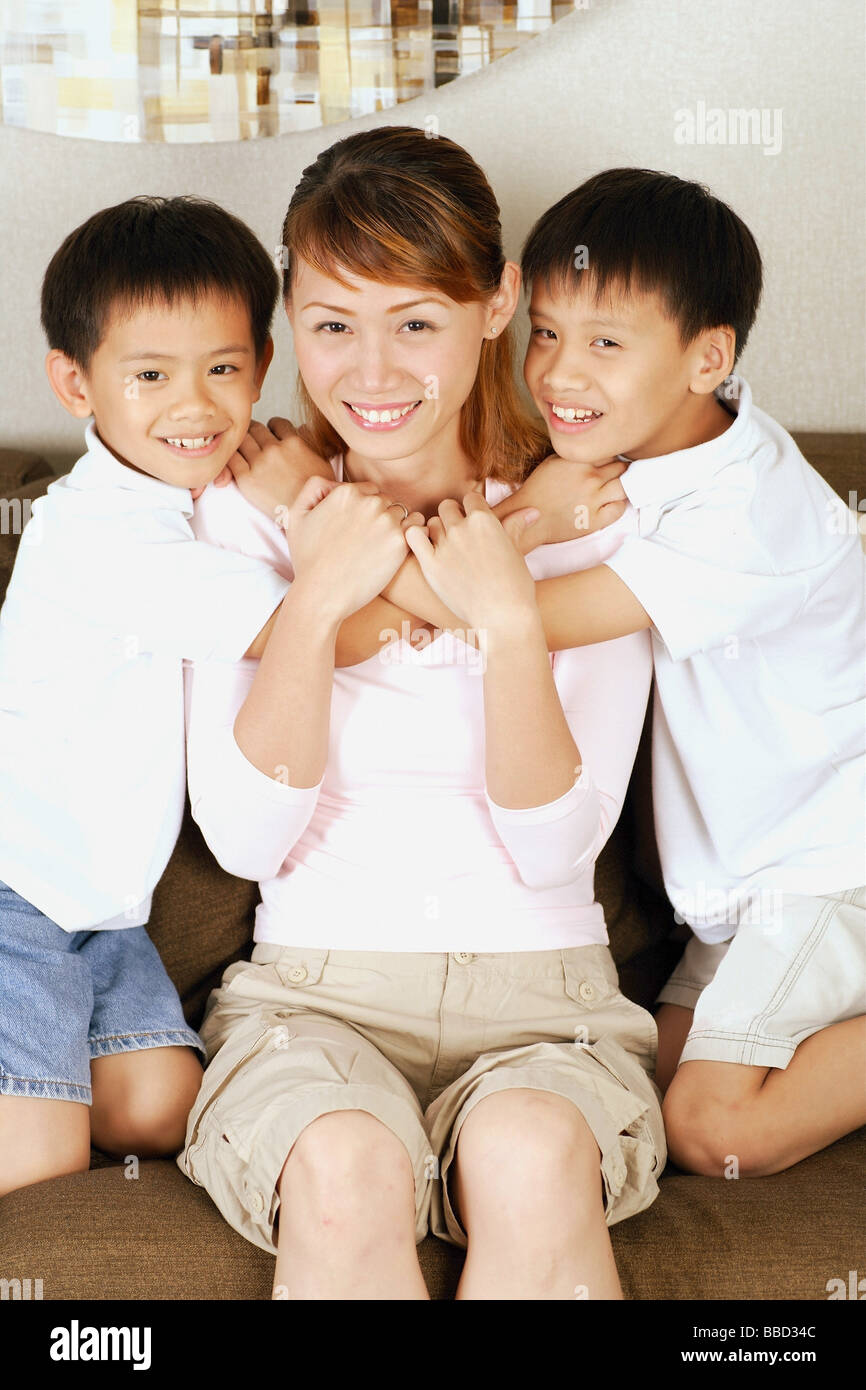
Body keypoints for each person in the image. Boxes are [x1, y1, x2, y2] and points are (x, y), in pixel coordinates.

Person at [257, 165, 864, 1181]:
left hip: (826, 871)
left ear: (705, 356)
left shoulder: (750, 513)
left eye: (605, 345)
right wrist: (537, 500)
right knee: (665, 1086)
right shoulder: (635, 457)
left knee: (715, 1132)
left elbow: (511, 614)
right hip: (735, 889)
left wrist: (311, 513)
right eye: (545, 332)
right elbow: (501, 541)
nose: (558, 374)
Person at [179, 126, 665, 1300]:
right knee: (344, 1166)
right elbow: (245, 843)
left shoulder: (592, 514)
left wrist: (509, 623)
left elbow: (556, 846)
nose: (371, 373)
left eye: (415, 322)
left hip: (544, 1001)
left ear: (497, 302)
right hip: (310, 996)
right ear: (289, 315)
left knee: (530, 1151)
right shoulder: (243, 516)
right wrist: (315, 595)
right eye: (331, 323)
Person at [0, 195, 299, 1197]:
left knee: (162, 1108)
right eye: (152, 375)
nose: (196, 405)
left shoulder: (189, 504)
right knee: (39, 1162)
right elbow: (309, 627)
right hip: (15, 890)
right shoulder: (102, 534)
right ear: (75, 384)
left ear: (261, 363)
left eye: (222, 369)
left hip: (102, 912)